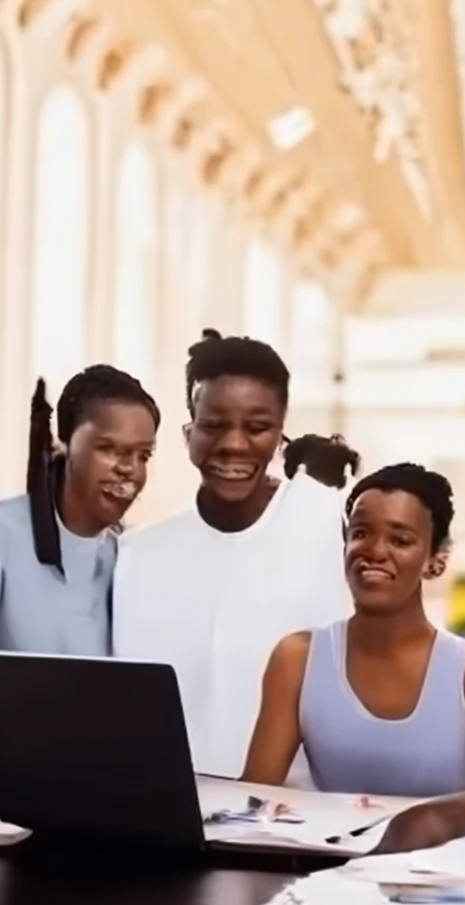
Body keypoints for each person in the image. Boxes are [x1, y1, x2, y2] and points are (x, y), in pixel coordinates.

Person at [242, 462, 465, 851]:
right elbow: (250, 802)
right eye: (361, 533)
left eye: (400, 540)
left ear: (435, 560)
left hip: (446, 886)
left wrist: (450, 815)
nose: (374, 551)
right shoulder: (298, 659)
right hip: (332, 877)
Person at [112, 330, 360, 780]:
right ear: (188, 434)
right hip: (164, 817)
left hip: (303, 821)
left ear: (281, 435)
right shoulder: (137, 556)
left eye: (257, 427)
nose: (234, 444)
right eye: (213, 425)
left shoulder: (332, 529)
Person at [0, 366, 160, 767]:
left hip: (101, 796)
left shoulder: (133, 554)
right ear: (64, 444)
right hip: (5, 798)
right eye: (109, 449)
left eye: (142, 455)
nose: (130, 470)